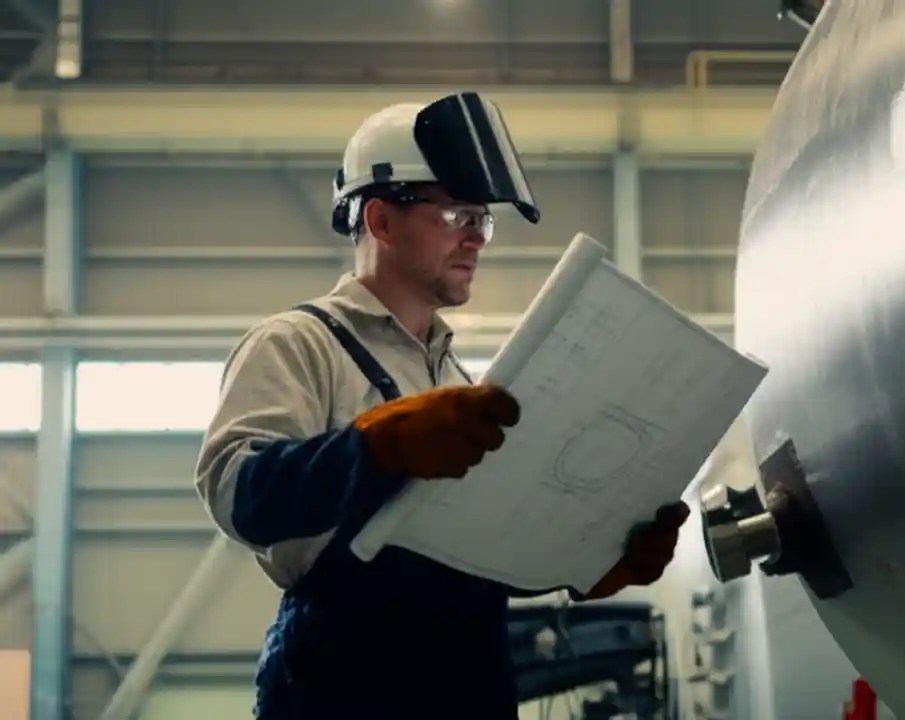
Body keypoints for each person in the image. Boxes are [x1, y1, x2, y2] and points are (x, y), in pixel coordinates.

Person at [194, 92, 690, 719]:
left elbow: (480, 548)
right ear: (379, 220)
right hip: (343, 684)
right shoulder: (299, 343)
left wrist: (592, 564)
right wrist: (374, 447)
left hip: (469, 679)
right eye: (458, 215)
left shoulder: (457, 380)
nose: (477, 239)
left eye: (484, 221)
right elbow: (238, 492)